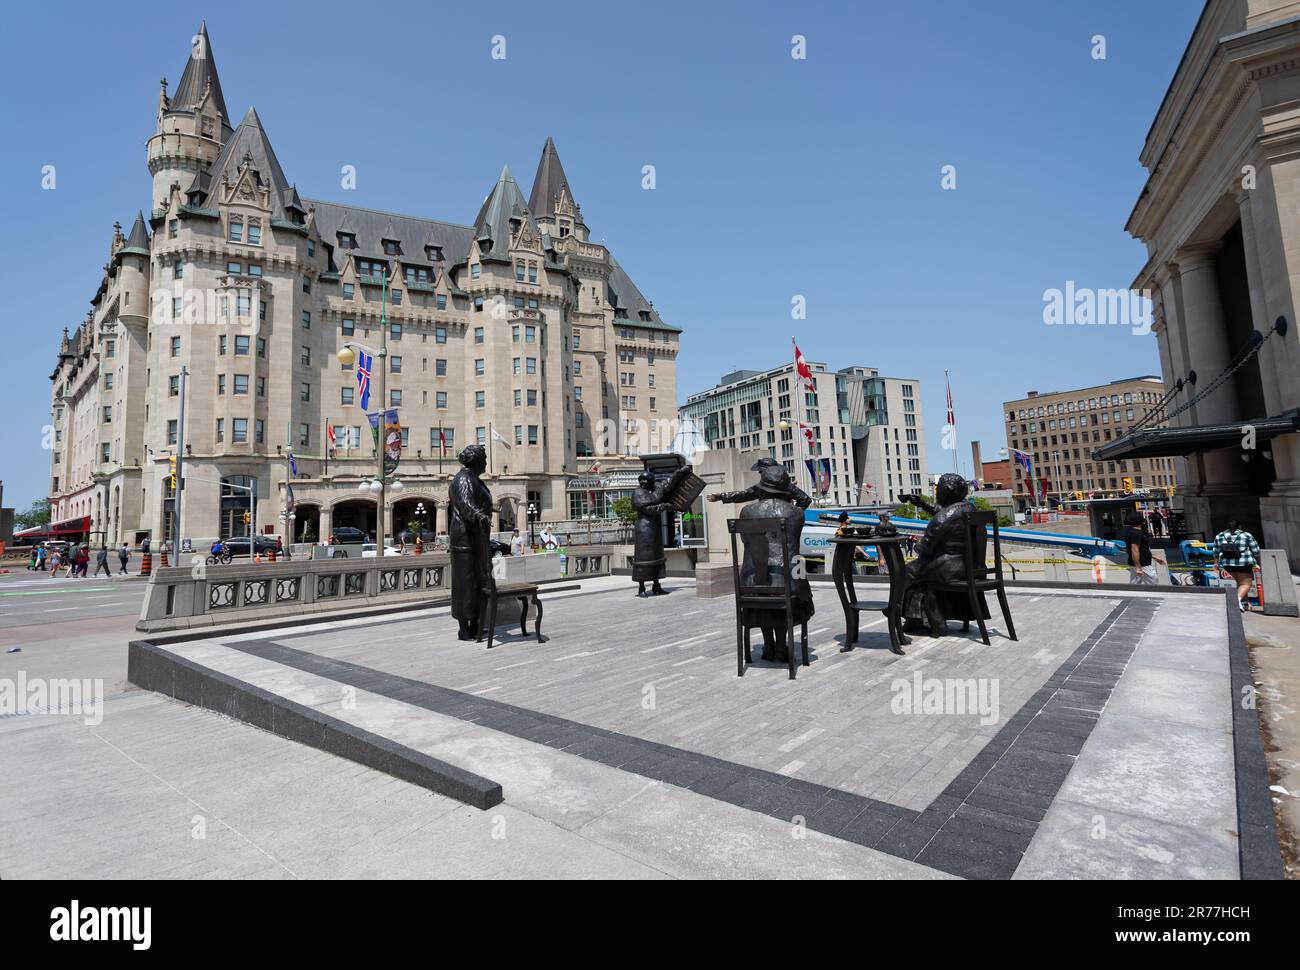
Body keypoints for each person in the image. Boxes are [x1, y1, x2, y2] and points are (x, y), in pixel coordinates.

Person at [899, 474, 991, 637]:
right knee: (920, 576)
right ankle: (916, 620)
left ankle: (894, 607)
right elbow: (945, 512)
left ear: (944, 493)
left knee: (906, 572)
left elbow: (924, 549)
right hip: (967, 566)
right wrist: (921, 503)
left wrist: (917, 544)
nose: (936, 492)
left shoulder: (941, 519)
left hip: (948, 568)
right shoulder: (969, 509)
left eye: (937, 489)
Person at [448, 444, 494, 640]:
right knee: (466, 583)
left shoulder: (474, 479)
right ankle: (464, 628)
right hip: (465, 541)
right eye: (483, 459)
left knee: (479, 581)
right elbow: (466, 503)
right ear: (476, 461)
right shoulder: (464, 479)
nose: (485, 462)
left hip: (477, 539)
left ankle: (476, 622)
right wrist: (479, 515)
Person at [631, 465, 692, 596]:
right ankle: (641, 585)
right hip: (644, 529)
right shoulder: (638, 493)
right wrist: (665, 506)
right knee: (643, 557)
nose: (643, 482)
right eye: (641, 480)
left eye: (646, 480)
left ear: (651, 481)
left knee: (657, 555)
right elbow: (648, 509)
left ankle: (656, 585)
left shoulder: (656, 488)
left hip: (655, 529)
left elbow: (668, 482)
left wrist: (680, 472)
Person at [708, 456, 812, 509]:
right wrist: (722, 496)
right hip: (767, 518)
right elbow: (744, 495)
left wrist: (792, 513)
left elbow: (805, 500)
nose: (760, 473)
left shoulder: (787, 486)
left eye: (761, 471)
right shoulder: (786, 486)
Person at [1215, 519, 1262, 612]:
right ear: (1239, 527)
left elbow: (1216, 552)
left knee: (1240, 583)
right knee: (1246, 583)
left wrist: (1216, 563)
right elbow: (1256, 550)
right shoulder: (1246, 535)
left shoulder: (1220, 535)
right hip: (1244, 563)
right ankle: (1236, 600)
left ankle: (1245, 603)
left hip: (1227, 563)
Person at [1124, 512, 1156, 585]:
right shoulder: (1136, 533)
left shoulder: (1132, 531)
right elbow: (1134, 550)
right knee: (1153, 583)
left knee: (1135, 584)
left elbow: (1143, 549)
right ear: (1140, 522)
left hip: (1137, 563)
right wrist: (1138, 567)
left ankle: (1134, 595)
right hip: (1142, 564)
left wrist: (1155, 557)